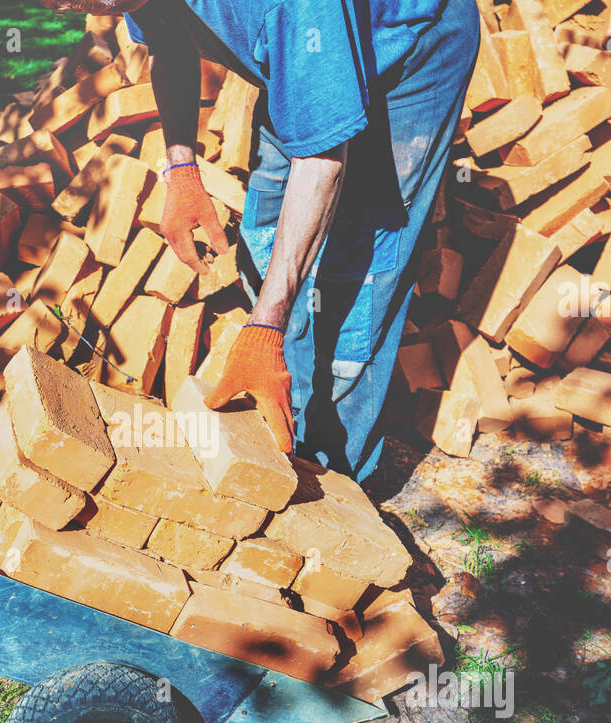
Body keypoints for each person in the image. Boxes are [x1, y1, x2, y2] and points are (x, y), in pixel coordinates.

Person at [41, 0, 479, 483]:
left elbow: (322, 161)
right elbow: (169, 42)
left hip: (410, 52)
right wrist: (182, 167)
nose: (84, 7)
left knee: (353, 272)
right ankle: (284, 407)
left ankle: (334, 483)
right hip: (313, 50)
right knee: (266, 233)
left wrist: (266, 326)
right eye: (66, 6)